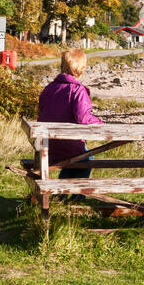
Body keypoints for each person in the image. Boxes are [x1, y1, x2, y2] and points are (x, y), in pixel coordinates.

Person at [37, 48, 102, 184]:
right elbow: (83, 118)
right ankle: (77, 195)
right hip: (67, 145)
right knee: (86, 159)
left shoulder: (49, 88)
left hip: (47, 145)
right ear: (82, 68)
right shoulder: (78, 90)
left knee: (76, 160)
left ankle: (63, 193)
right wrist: (99, 122)